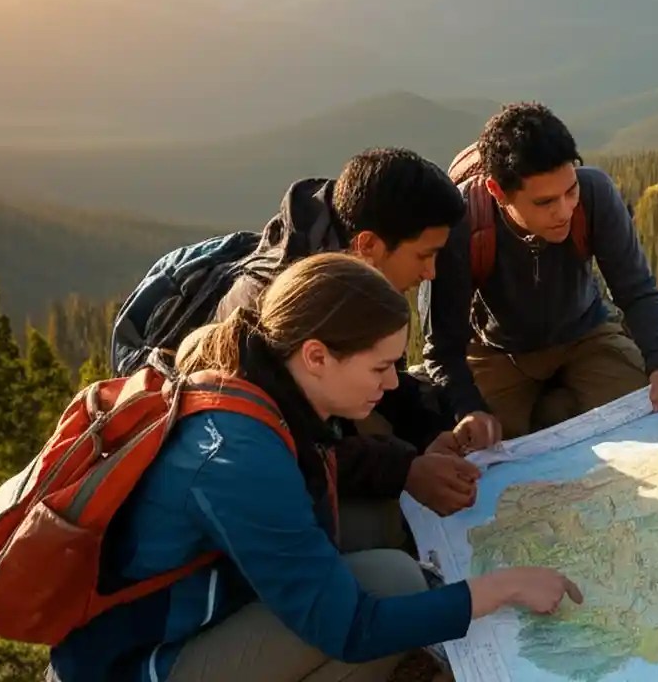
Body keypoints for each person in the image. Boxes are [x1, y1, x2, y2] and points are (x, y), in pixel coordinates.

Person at [49, 253, 582, 682]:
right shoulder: (240, 457)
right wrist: (501, 589)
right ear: (317, 356)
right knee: (395, 584)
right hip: (138, 662)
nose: (392, 383)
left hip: (198, 600)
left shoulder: (263, 386)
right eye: (380, 367)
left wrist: (411, 465)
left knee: (381, 529)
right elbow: (351, 630)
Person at [217, 147, 500, 519]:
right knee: (384, 527)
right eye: (423, 255)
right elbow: (292, 445)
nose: (430, 273)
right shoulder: (289, 310)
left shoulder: (353, 267)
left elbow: (386, 377)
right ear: (368, 244)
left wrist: (431, 432)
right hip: (259, 486)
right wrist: (405, 471)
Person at [421, 102, 658, 440]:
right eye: (544, 202)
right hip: (499, 353)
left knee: (648, 411)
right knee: (485, 443)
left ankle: (557, 404)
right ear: (497, 192)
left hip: (587, 336)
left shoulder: (595, 193)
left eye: (570, 191)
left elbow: (637, 291)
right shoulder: (462, 219)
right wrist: (468, 408)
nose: (564, 212)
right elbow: (441, 346)